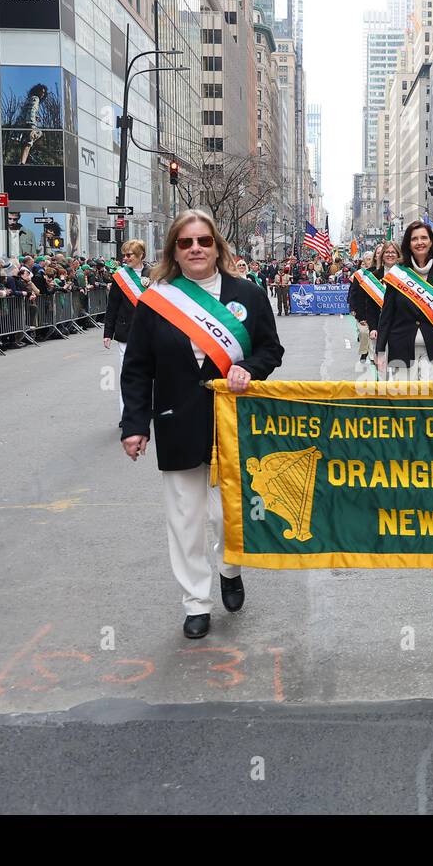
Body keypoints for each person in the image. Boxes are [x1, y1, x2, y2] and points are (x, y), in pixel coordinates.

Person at [120, 210, 284, 640]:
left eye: (204, 241)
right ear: (174, 250)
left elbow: (271, 349)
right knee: (185, 518)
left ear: (217, 247)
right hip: (177, 420)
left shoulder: (247, 294)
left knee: (229, 515)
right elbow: (137, 367)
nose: (196, 248)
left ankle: (230, 567)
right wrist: (134, 425)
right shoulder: (157, 299)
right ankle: (196, 601)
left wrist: (249, 368)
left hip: (232, 422)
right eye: (186, 242)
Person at [376, 220, 433, 382]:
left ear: (431, 241)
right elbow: (386, 315)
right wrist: (380, 351)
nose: (419, 242)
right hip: (401, 348)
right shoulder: (397, 273)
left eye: (424, 238)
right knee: (404, 402)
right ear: (408, 244)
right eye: (414, 239)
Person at [104, 240, 147, 423]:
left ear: (141, 256)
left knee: (150, 374)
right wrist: (108, 332)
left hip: (150, 332)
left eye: (130, 255)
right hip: (126, 331)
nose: (126, 258)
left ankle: (147, 409)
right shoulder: (120, 277)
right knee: (127, 374)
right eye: (125, 255)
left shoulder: (153, 274)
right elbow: (112, 306)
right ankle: (127, 414)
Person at [350, 244, 391, 365]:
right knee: (370, 341)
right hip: (372, 316)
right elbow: (359, 296)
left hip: (391, 320)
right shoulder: (368, 274)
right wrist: (360, 315)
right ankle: (367, 355)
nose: (381, 255)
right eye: (378, 253)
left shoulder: (397, 273)